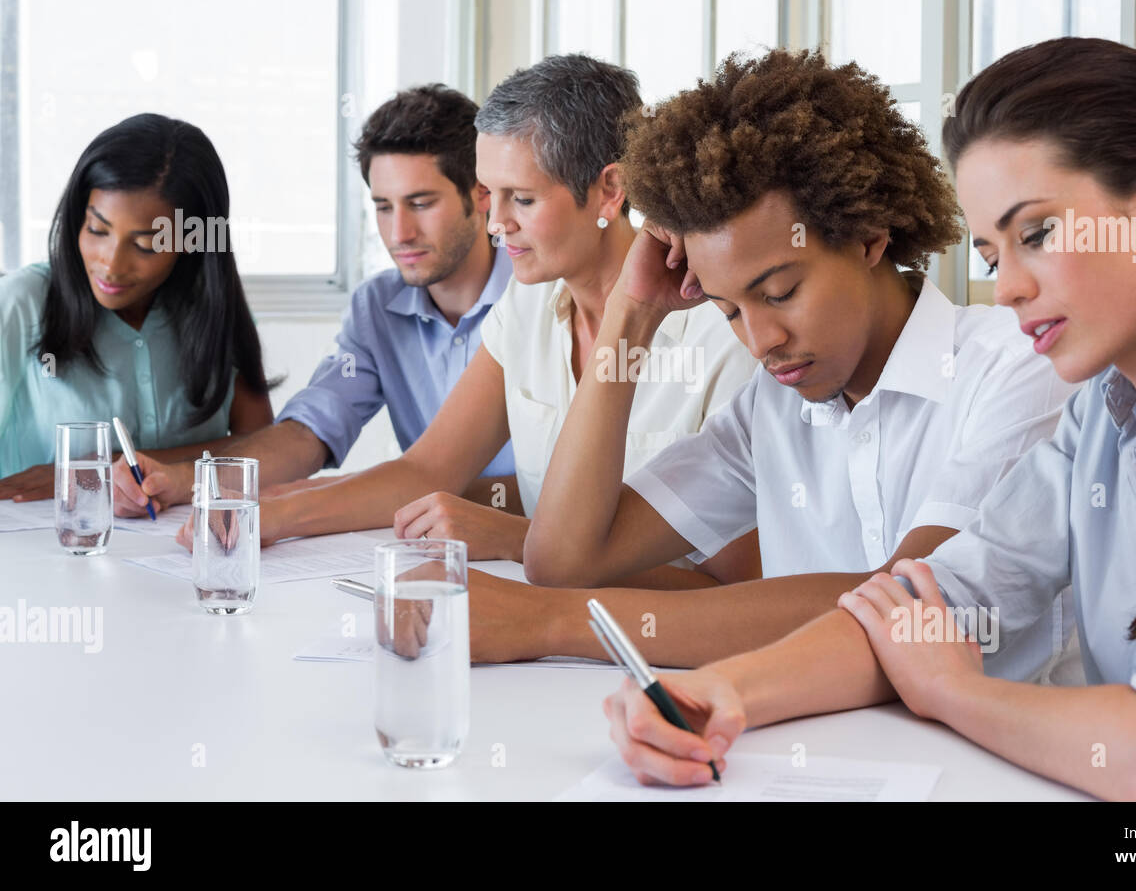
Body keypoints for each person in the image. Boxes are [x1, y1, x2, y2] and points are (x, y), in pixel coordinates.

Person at [601, 37, 1136, 801]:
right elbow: (930, 602)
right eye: (996, 257)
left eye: (1036, 234)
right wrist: (726, 693)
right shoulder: (1102, 421)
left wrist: (955, 691)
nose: (1005, 292)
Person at [474, 48, 1076, 670]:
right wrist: (632, 315)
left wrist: (554, 626)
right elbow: (563, 559)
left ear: (869, 236)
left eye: (780, 293)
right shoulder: (771, 406)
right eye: (728, 309)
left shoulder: (1015, 367)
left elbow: (905, 605)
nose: (760, 341)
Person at [160, 54, 759, 576]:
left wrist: (520, 540)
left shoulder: (722, 330)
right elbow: (428, 468)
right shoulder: (526, 307)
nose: (496, 223)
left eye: (521, 199)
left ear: (609, 190)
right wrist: (271, 516)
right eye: (489, 194)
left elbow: (733, 582)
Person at [114, 84, 514, 515]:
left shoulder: (538, 296)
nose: (399, 234)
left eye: (420, 203)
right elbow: (307, 433)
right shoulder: (377, 308)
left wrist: (361, 499)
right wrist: (184, 480)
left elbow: (557, 491)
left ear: (481, 193)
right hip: (435, 550)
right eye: (383, 207)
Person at [0, 114, 274, 497]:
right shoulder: (20, 302)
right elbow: (242, 455)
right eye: (97, 229)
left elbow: (268, 457)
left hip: (179, 550)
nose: (110, 265)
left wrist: (99, 473)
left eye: (146, 244)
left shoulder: (212, 308)